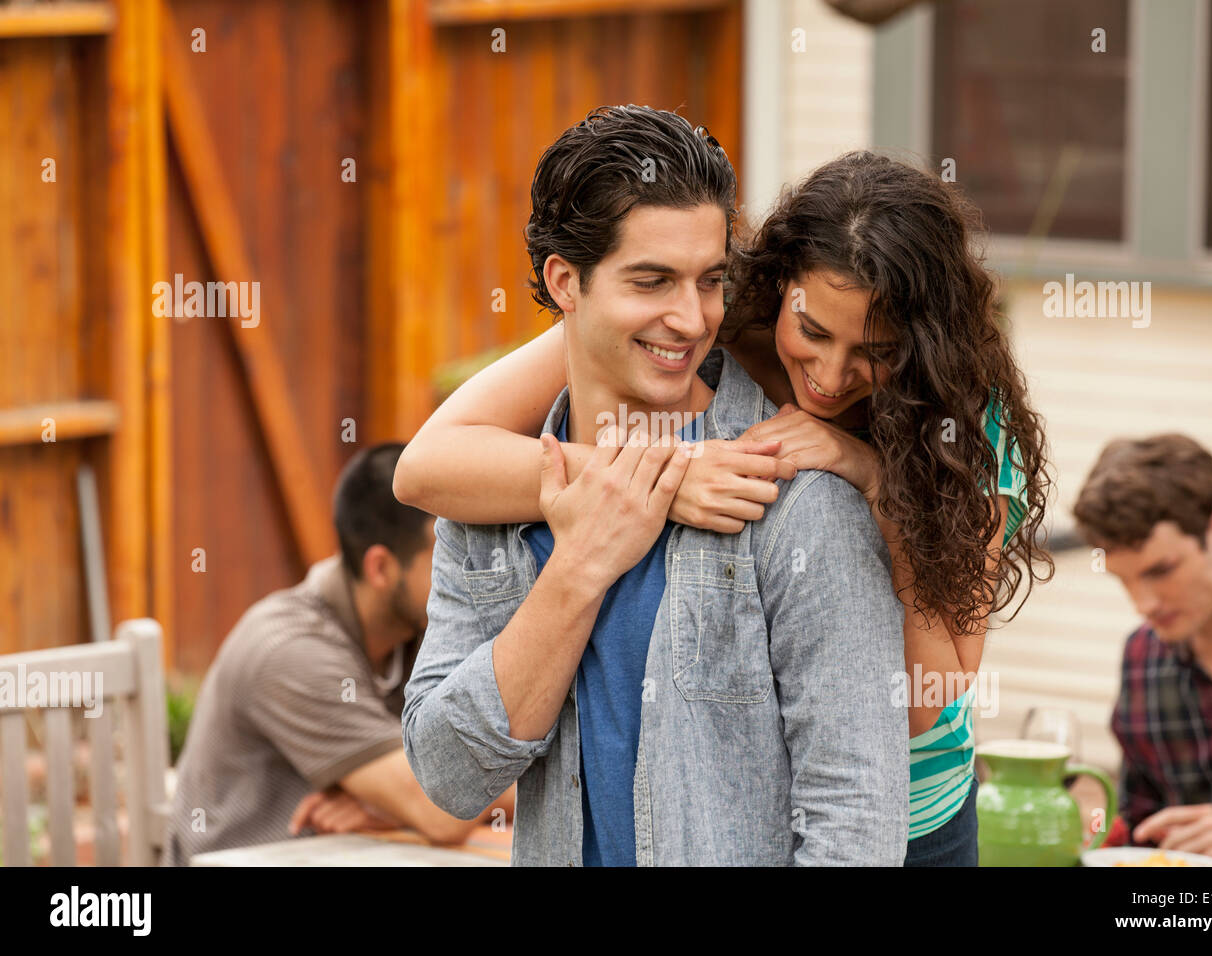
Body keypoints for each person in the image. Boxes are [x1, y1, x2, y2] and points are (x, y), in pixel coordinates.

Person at [396, 147, 1052, 865]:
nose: (830, 378)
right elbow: (429, 465)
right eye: (812, 332)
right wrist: (664, 480)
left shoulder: (966, 427)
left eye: (876, 351)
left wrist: (870, 474)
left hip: (918, 812)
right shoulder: (701, 320)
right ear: (779, 289)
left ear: (925, 345)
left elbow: (930, 695)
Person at [163, 444, 511, 866]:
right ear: (380, 568)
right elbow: (445, 810)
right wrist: (420, 801)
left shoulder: (419, 626)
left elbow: (467, 785)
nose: (466, 572)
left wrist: (392, 806)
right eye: (448, 556)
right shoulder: (291, 653)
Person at [1073, 433, 1212, 861]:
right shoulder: (1142, 658)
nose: (1143, 604)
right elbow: (1140, 831)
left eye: (1161, 570)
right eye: (1124, 580)